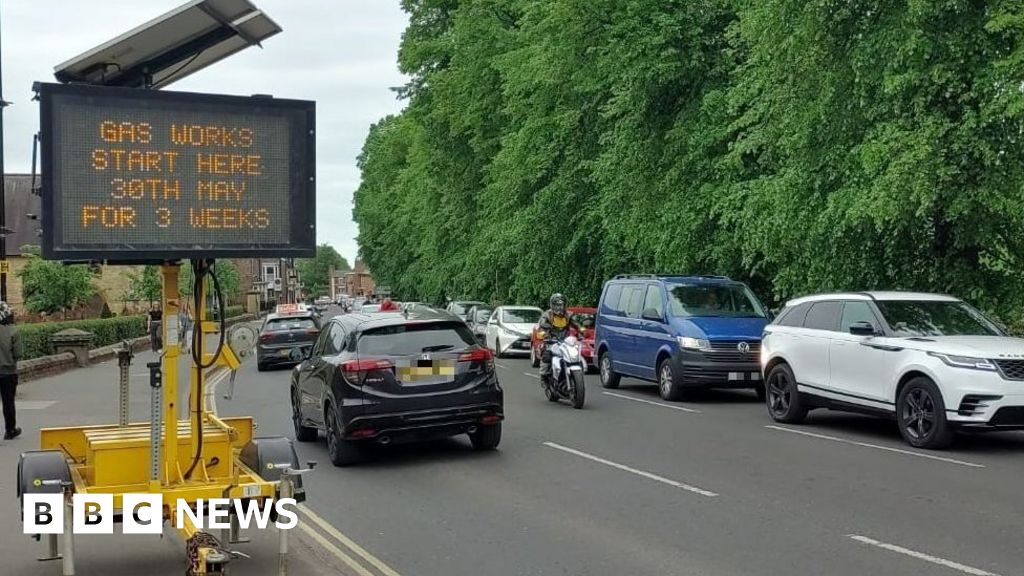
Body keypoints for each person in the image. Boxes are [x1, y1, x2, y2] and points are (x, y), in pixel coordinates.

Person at [538, 293, 579, 382]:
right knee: (547, 356)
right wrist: (544, 335)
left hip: (565, 341)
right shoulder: (547, 315)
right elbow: (540, 328)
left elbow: (577, 325)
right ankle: (544, 377)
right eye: (557, 305)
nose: (559, 307)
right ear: (552, 305)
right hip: (551, 341)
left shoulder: (569, 315)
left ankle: (575, 374)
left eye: (561, 304)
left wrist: (582, 331)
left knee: (574, 355)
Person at [0, 302, 23, 440]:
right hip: (8, 372)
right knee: (8, 402)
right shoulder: (13, 331)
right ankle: (10, 430)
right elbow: (18, 353)